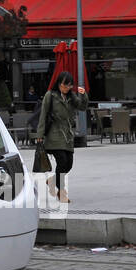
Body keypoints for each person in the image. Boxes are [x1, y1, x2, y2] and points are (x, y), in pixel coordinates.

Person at [33, 71, 88, 205]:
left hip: (68, 135)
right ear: (58, 83)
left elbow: (82, 107)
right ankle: (61, 192)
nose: (66, 88)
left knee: (69, 164)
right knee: (62, 162)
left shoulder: (71, 96)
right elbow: (43, 115)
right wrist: (39, 135)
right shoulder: (50, 95)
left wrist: (83, 95)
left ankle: (52, 181)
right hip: (54, 134)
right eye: (64, 85)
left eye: (69, 86)